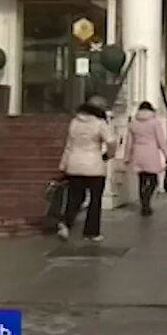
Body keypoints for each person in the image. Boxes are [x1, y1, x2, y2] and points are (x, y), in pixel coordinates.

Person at [57, 99, 116, 242]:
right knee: (95, 200)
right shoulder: (100, 124)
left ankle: (66, 223)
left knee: (75, 198)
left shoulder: (74, 123)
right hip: (94, 165)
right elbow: (111, 141)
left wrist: (63, 165)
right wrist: (109, 155)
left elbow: (69, 145)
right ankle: (91, 232)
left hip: (74, 164)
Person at [124, 101, 167, 216]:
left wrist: (127, 157)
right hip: (151, 153)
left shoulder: (133, 123)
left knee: (142, 180)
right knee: (153, 181)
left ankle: (144, 204)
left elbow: (129, 143)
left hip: (137, 153)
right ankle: (146, 201)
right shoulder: (155, 122)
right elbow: (161, 141)